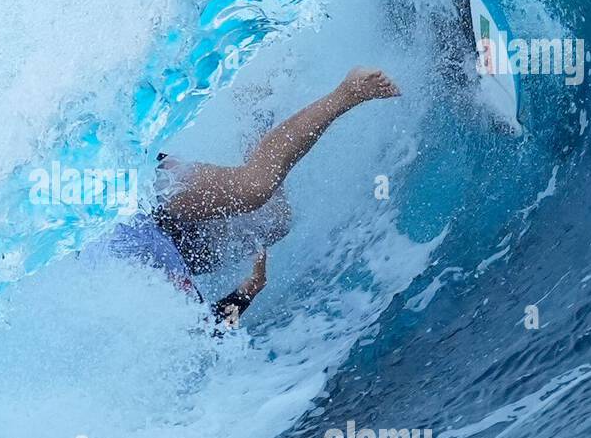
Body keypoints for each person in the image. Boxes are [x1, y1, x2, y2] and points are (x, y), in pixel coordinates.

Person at [109, 66, 400, 324]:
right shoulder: (167, 321)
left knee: (255, 188)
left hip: (130, 195)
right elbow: (212, 329)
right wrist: (249, 289)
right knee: (275, 221)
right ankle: (254, 109)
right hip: (175, 244)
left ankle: (348, 92)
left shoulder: (133, 293)